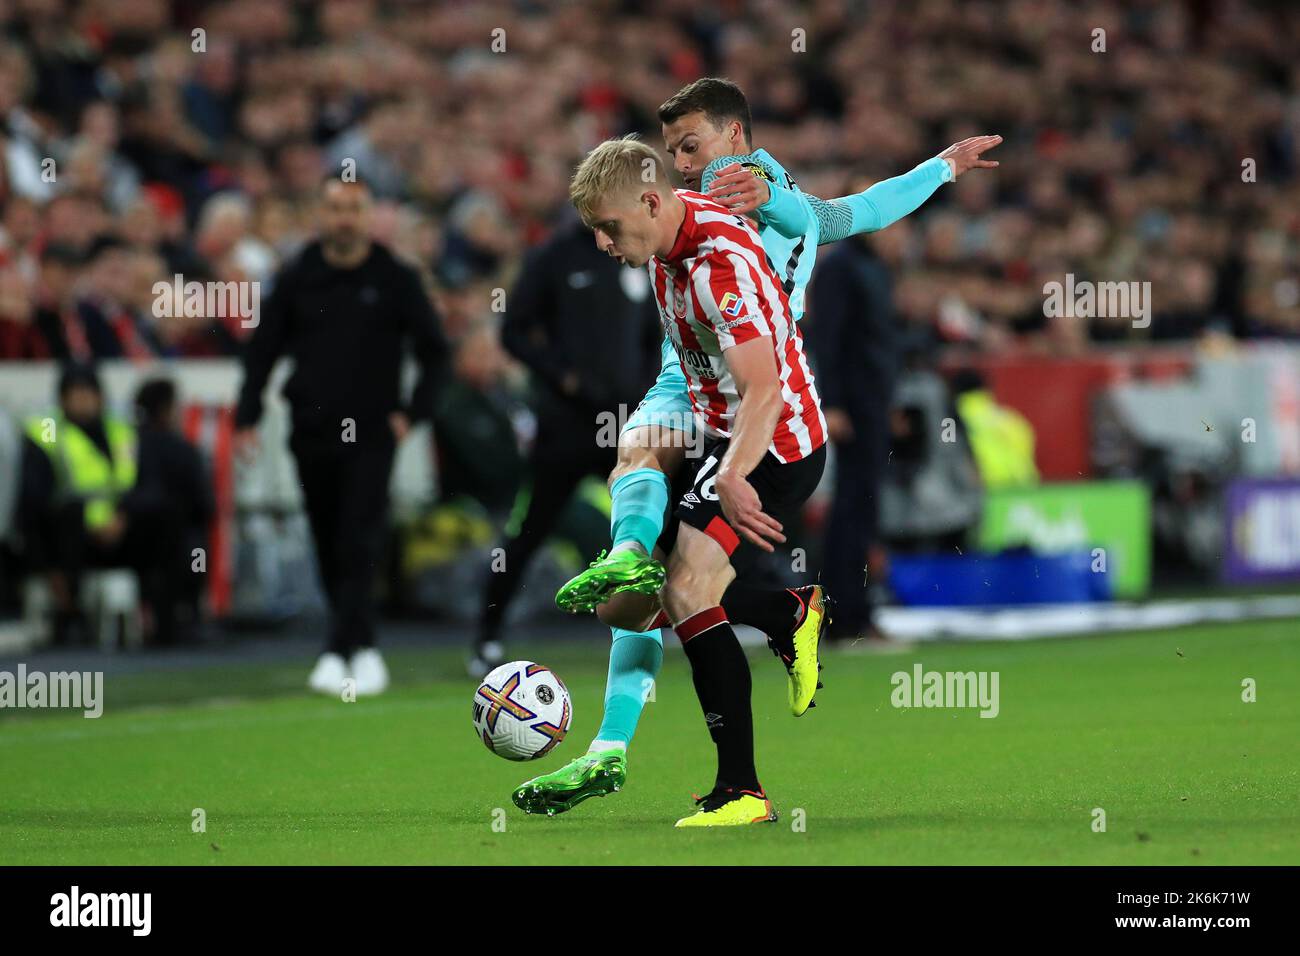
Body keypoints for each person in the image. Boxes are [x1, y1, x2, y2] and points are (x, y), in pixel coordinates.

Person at [521, 77, 1001, 816]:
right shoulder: (679, 219)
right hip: (698, 385)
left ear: (736, 138)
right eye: (672, 150)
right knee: (634, 574)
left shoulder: (751, 194)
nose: (683, 163)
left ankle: (731, 769)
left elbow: (852, 211)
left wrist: (931, 170)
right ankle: (626, 724)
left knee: (682, 586)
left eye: (693, 145)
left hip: (761, 402)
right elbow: (844, 211)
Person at [234, 176, 450, 697]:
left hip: (373, 433)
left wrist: (411, 414)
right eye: (334, 208)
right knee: (327, 539)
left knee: (359, 535)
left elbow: (436, 352)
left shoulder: (394, 277)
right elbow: (263, 349)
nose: (344, 218)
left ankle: (348, 648)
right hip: (309, 430)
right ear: (320, 214)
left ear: (368, 214)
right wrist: (247, 416)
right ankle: (353, 641)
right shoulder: (298, 275)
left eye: (354, 208)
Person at [468, 215, 660, 677]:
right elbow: (513, 331)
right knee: (529, 529)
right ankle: (487, 635)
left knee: (662, 523)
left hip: (629, 425)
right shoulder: (552, 257)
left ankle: (685, 619)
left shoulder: (639, 250)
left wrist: (648, 386)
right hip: (566, 427)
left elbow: (658, 330)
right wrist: (563, 378)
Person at [807, 181, 905, 642]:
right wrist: (833, 404)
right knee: (851, 509)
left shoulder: (872, 269)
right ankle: (844, 617)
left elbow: (877, 344)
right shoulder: (841, 268)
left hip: (872, 404)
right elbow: (826, 340)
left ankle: (855, 613)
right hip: (852, 407)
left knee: (863, 509)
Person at [20, 362, 137, 645]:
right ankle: (69, 611)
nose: (84, 401)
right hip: (69, 534)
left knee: (161, 513)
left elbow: (134, 483)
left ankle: (167, 611)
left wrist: (122, 517)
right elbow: (36, 497)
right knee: (63, 518)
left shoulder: (119, 431)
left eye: (89, 393)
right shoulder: (48, 432)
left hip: (117, 528)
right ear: (62, 399)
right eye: (76, 394)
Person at [126, 378, 214, 645]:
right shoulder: (184, 450)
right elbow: (205, 505)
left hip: (132, 538)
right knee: (197, 551)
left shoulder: (127, 445)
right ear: (166, 409)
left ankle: (158, 619)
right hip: (178, 542)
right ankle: (191, 615)